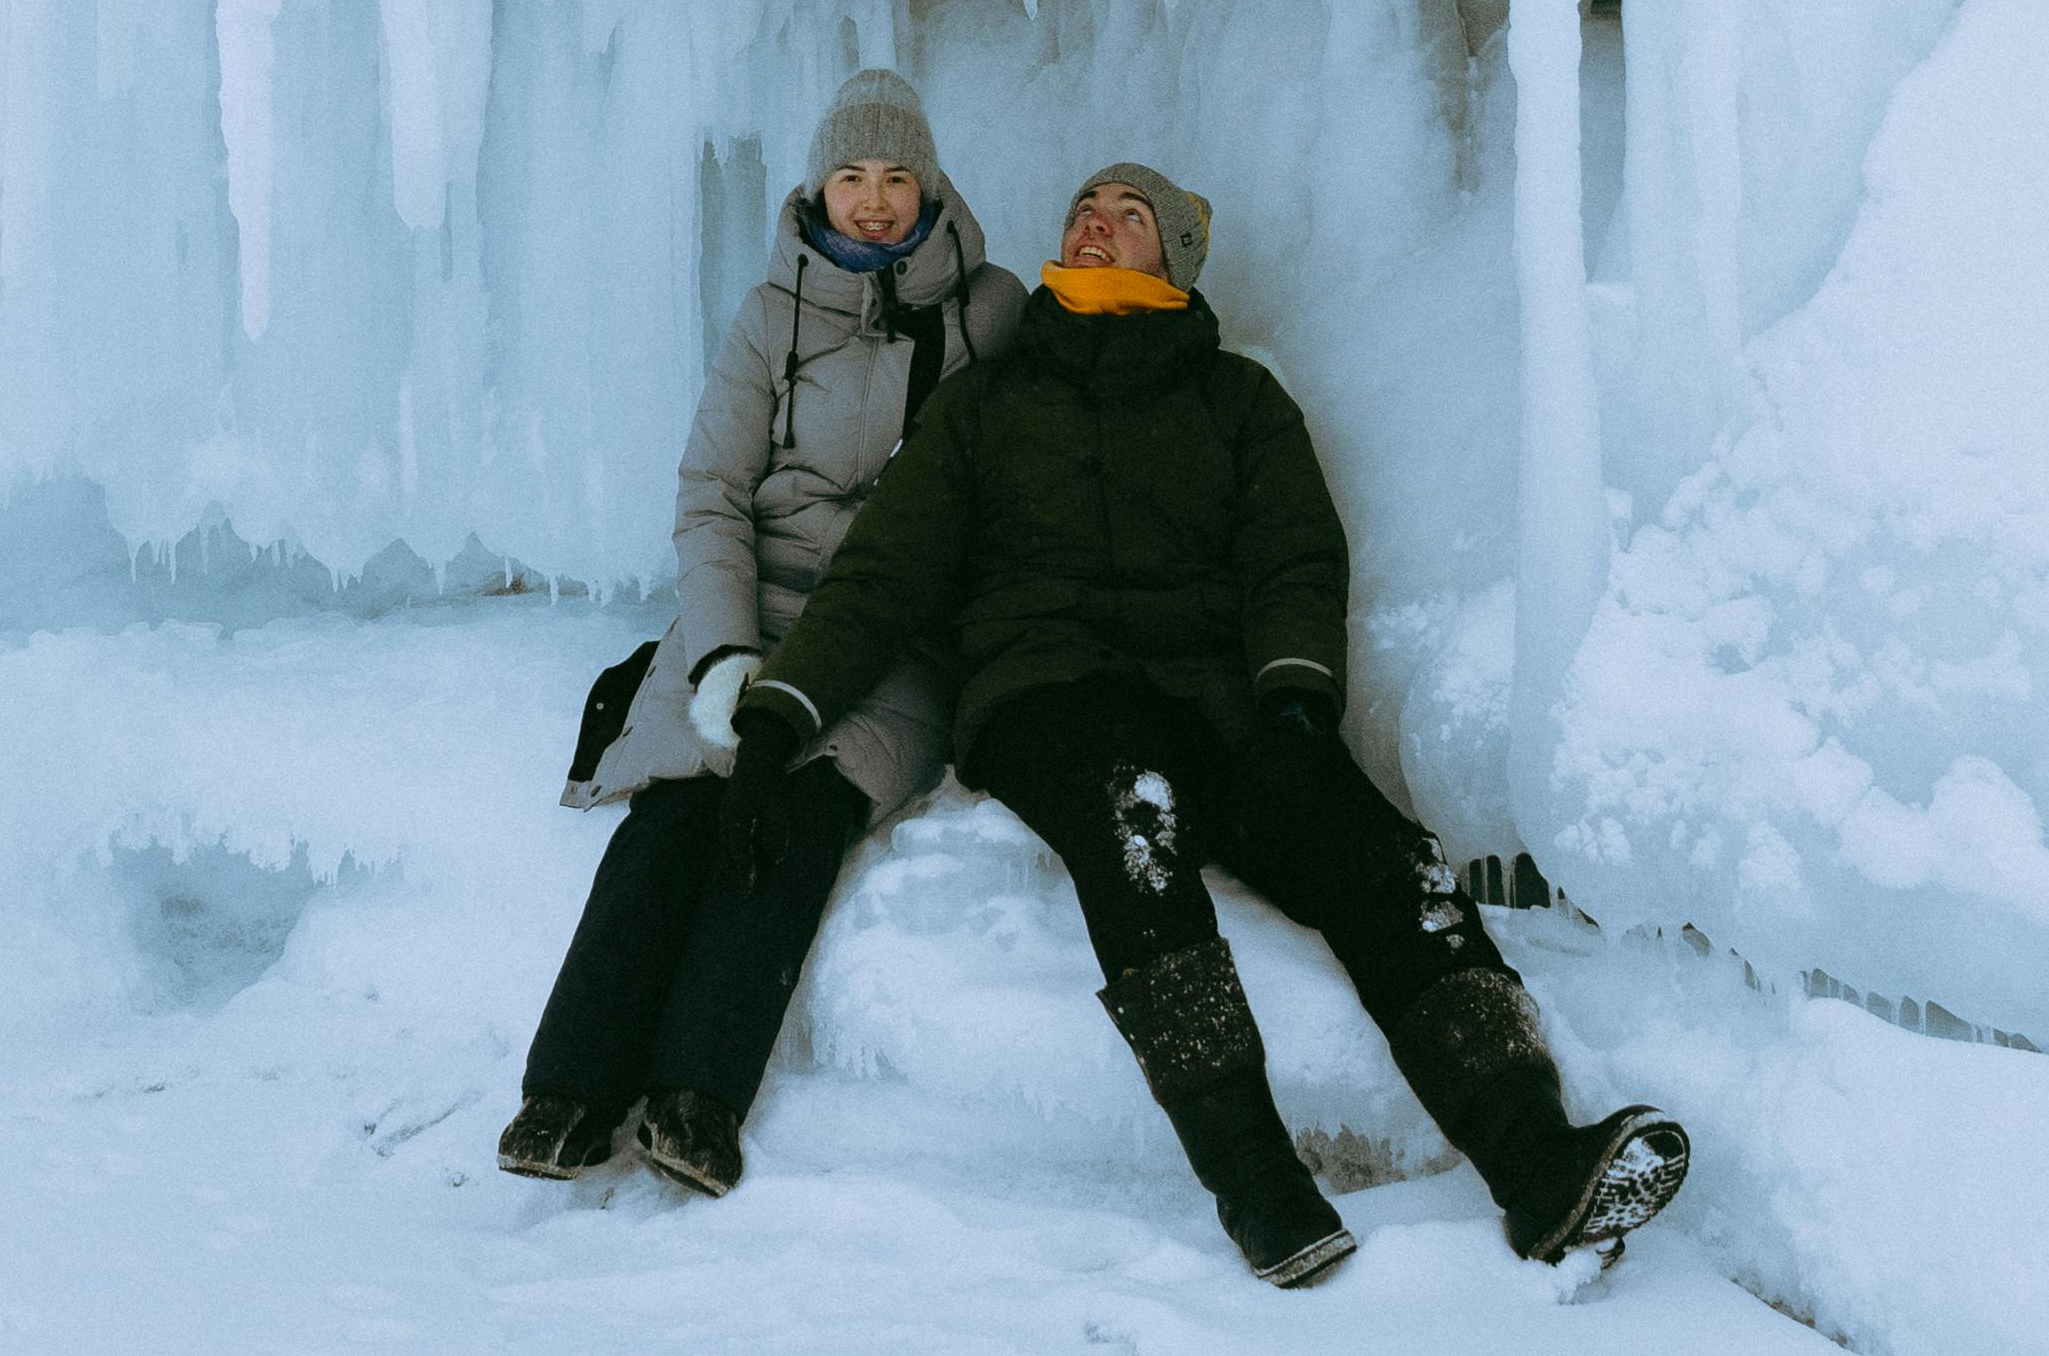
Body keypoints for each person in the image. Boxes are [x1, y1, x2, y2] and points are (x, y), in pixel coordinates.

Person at [728, 163, 1690, 1287]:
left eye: (1130, 215)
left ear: (1173, 260)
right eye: (1084, 205)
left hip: (1219, 702)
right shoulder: (985, 402)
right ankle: (1253, 1179)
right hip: (1047, 693)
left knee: (1386, 860)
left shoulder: (1238, 400)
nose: (1097, 221)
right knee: (1131, 824)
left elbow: (1293, 560)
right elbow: (882, 578)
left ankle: (1540, 1164)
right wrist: (779, 709)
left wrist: (1292, 702)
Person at [498, 69, 1026, 1198]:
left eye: (896, 178)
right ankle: (570, 1088)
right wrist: (725, 651)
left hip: (894, 629)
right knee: (682, 800)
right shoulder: (766, 312)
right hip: (756, 603)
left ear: (929, 188)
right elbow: (711, 494)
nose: (874, 201)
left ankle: (700, 1095)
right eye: (851, 176)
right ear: (817, 187)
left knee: (795, 804)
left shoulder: (990, 313)